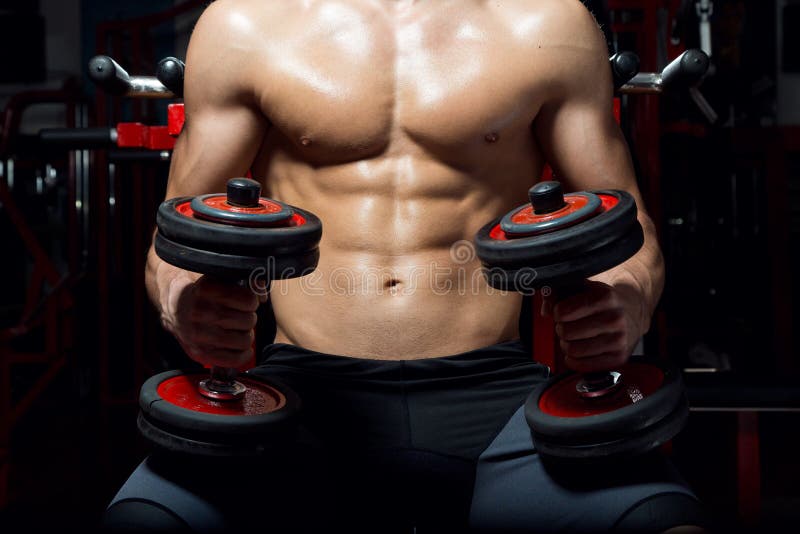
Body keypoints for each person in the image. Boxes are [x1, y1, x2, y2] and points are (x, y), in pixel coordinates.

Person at [104, 0, 709, 532]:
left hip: (497, 403)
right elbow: (172, 239)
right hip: (299, 403)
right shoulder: (246, 24)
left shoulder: (546, 22)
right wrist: (183, 301)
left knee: (669, 525)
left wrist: (626, 299)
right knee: (143, 521)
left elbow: (631, 233)